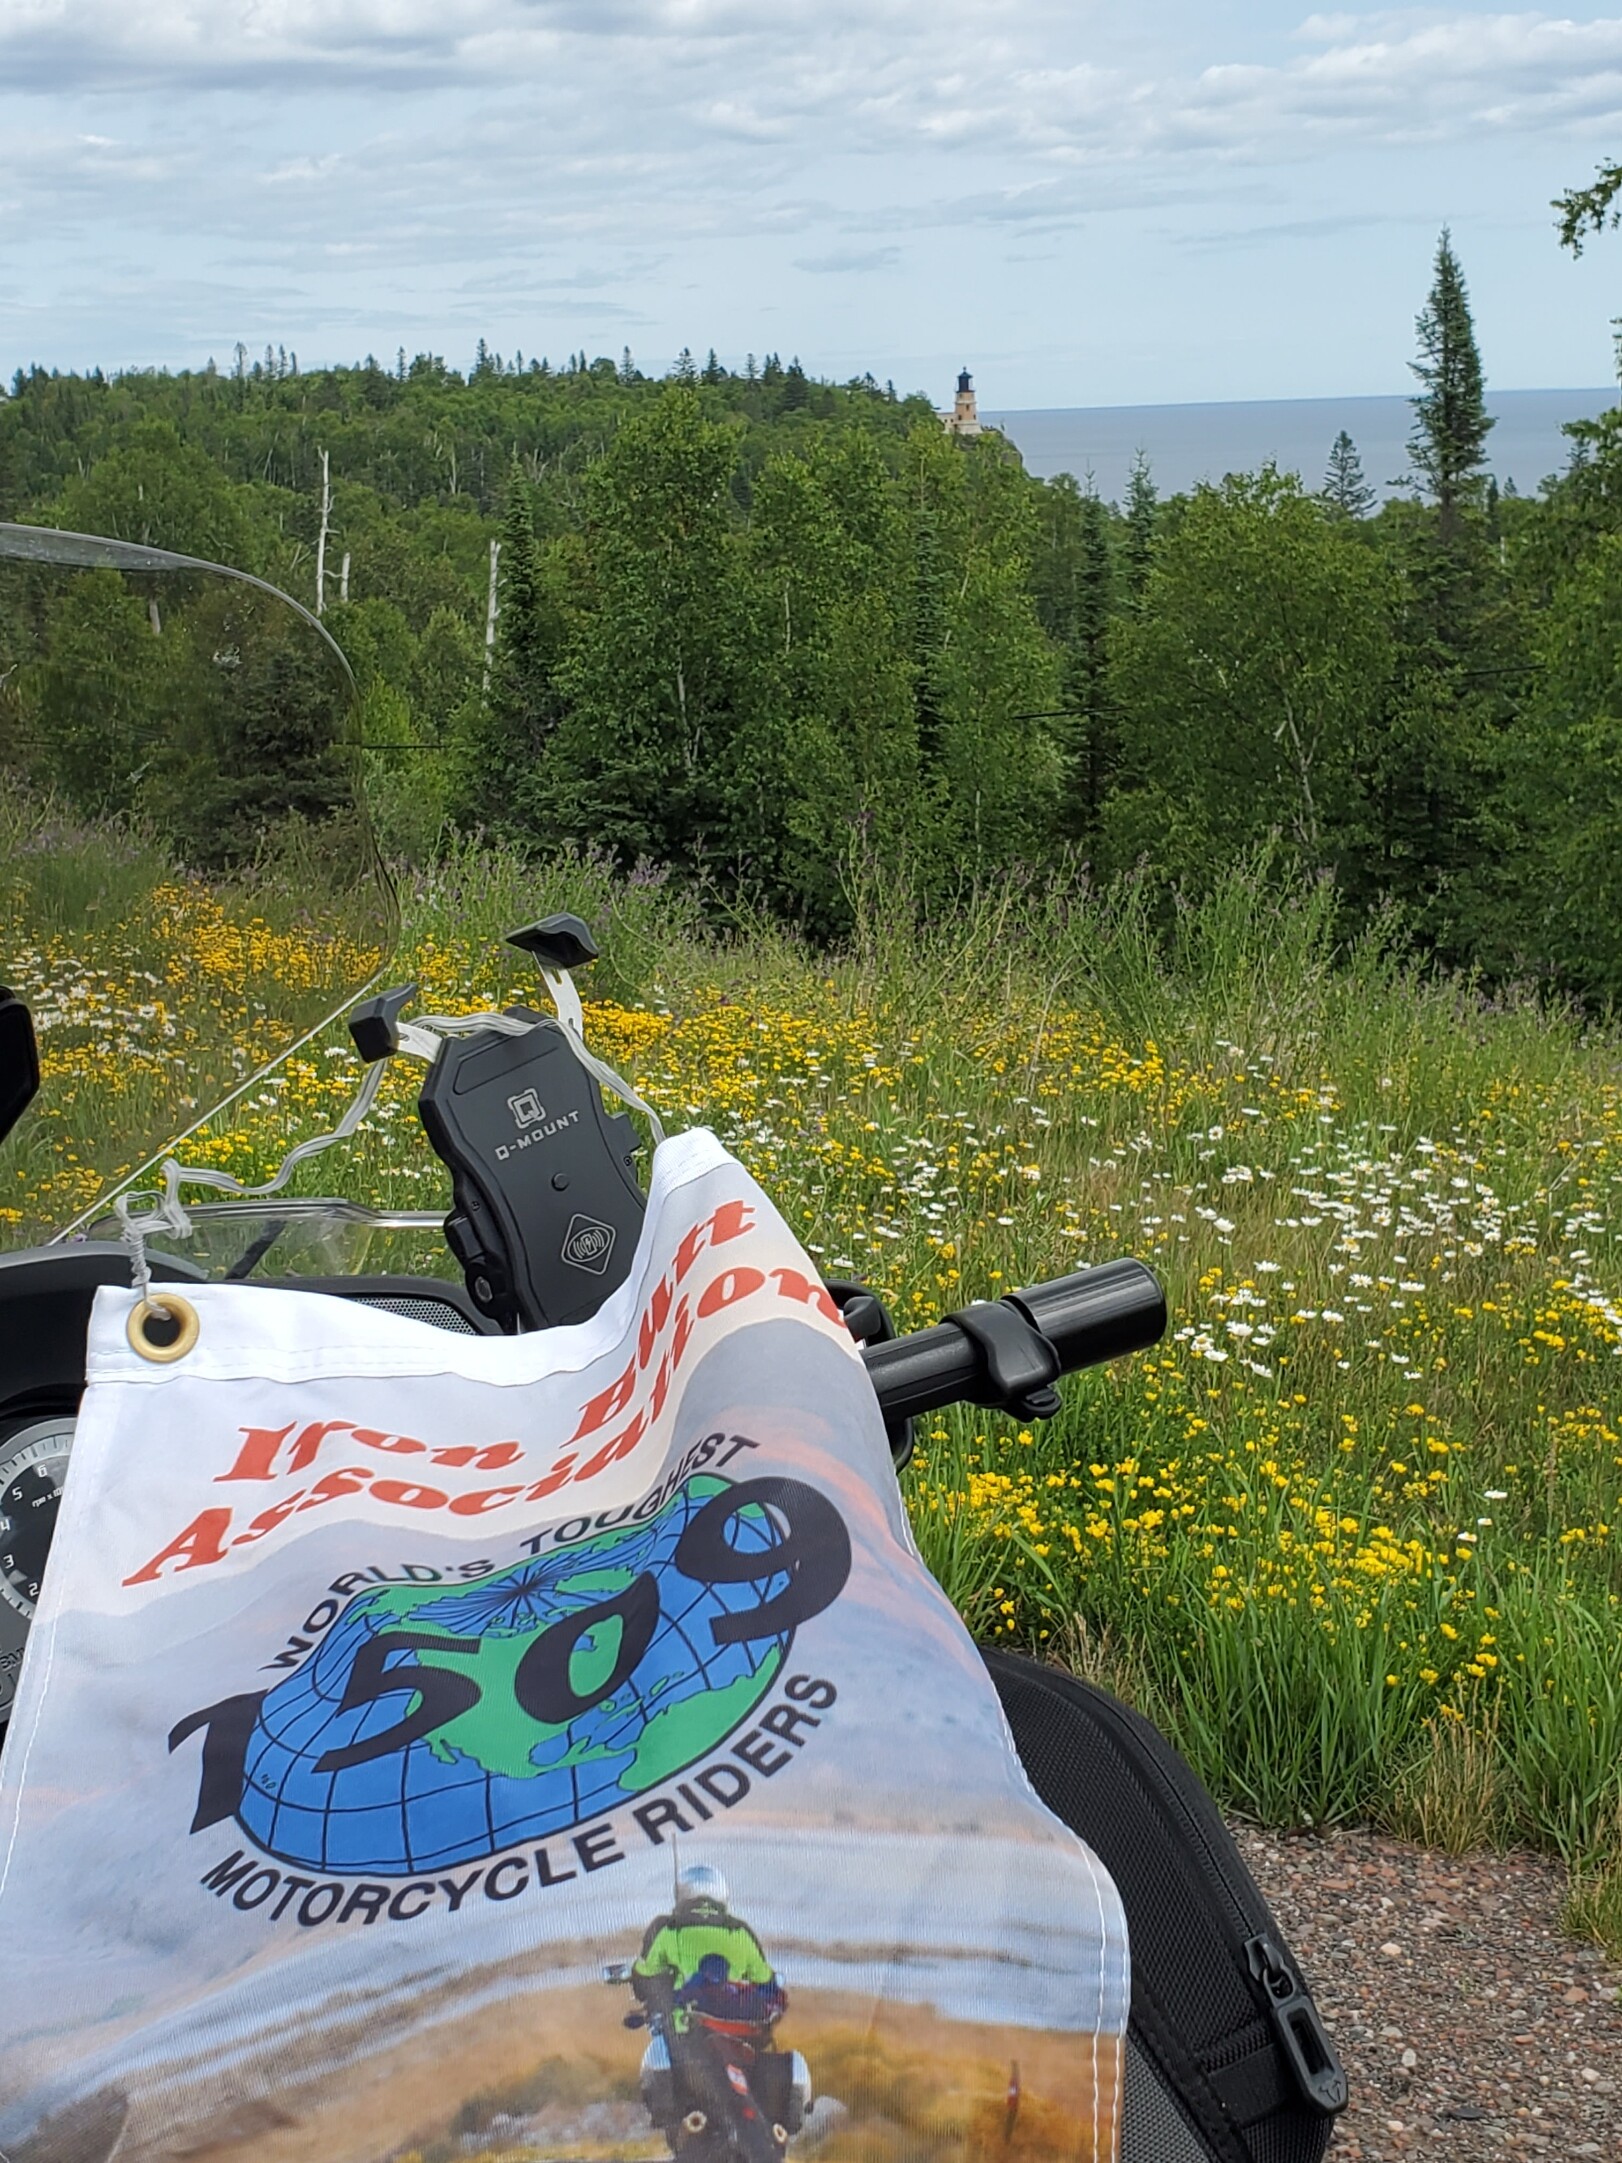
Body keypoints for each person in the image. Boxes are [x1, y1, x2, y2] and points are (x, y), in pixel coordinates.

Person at [632, 1861, 777, 2028]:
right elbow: (766, 1982)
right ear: (722, 1895)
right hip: (736, 2029)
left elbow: (644, 1976)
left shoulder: (666, 1928)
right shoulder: (740, 1932)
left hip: (683, 2029)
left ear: (681, 1895)